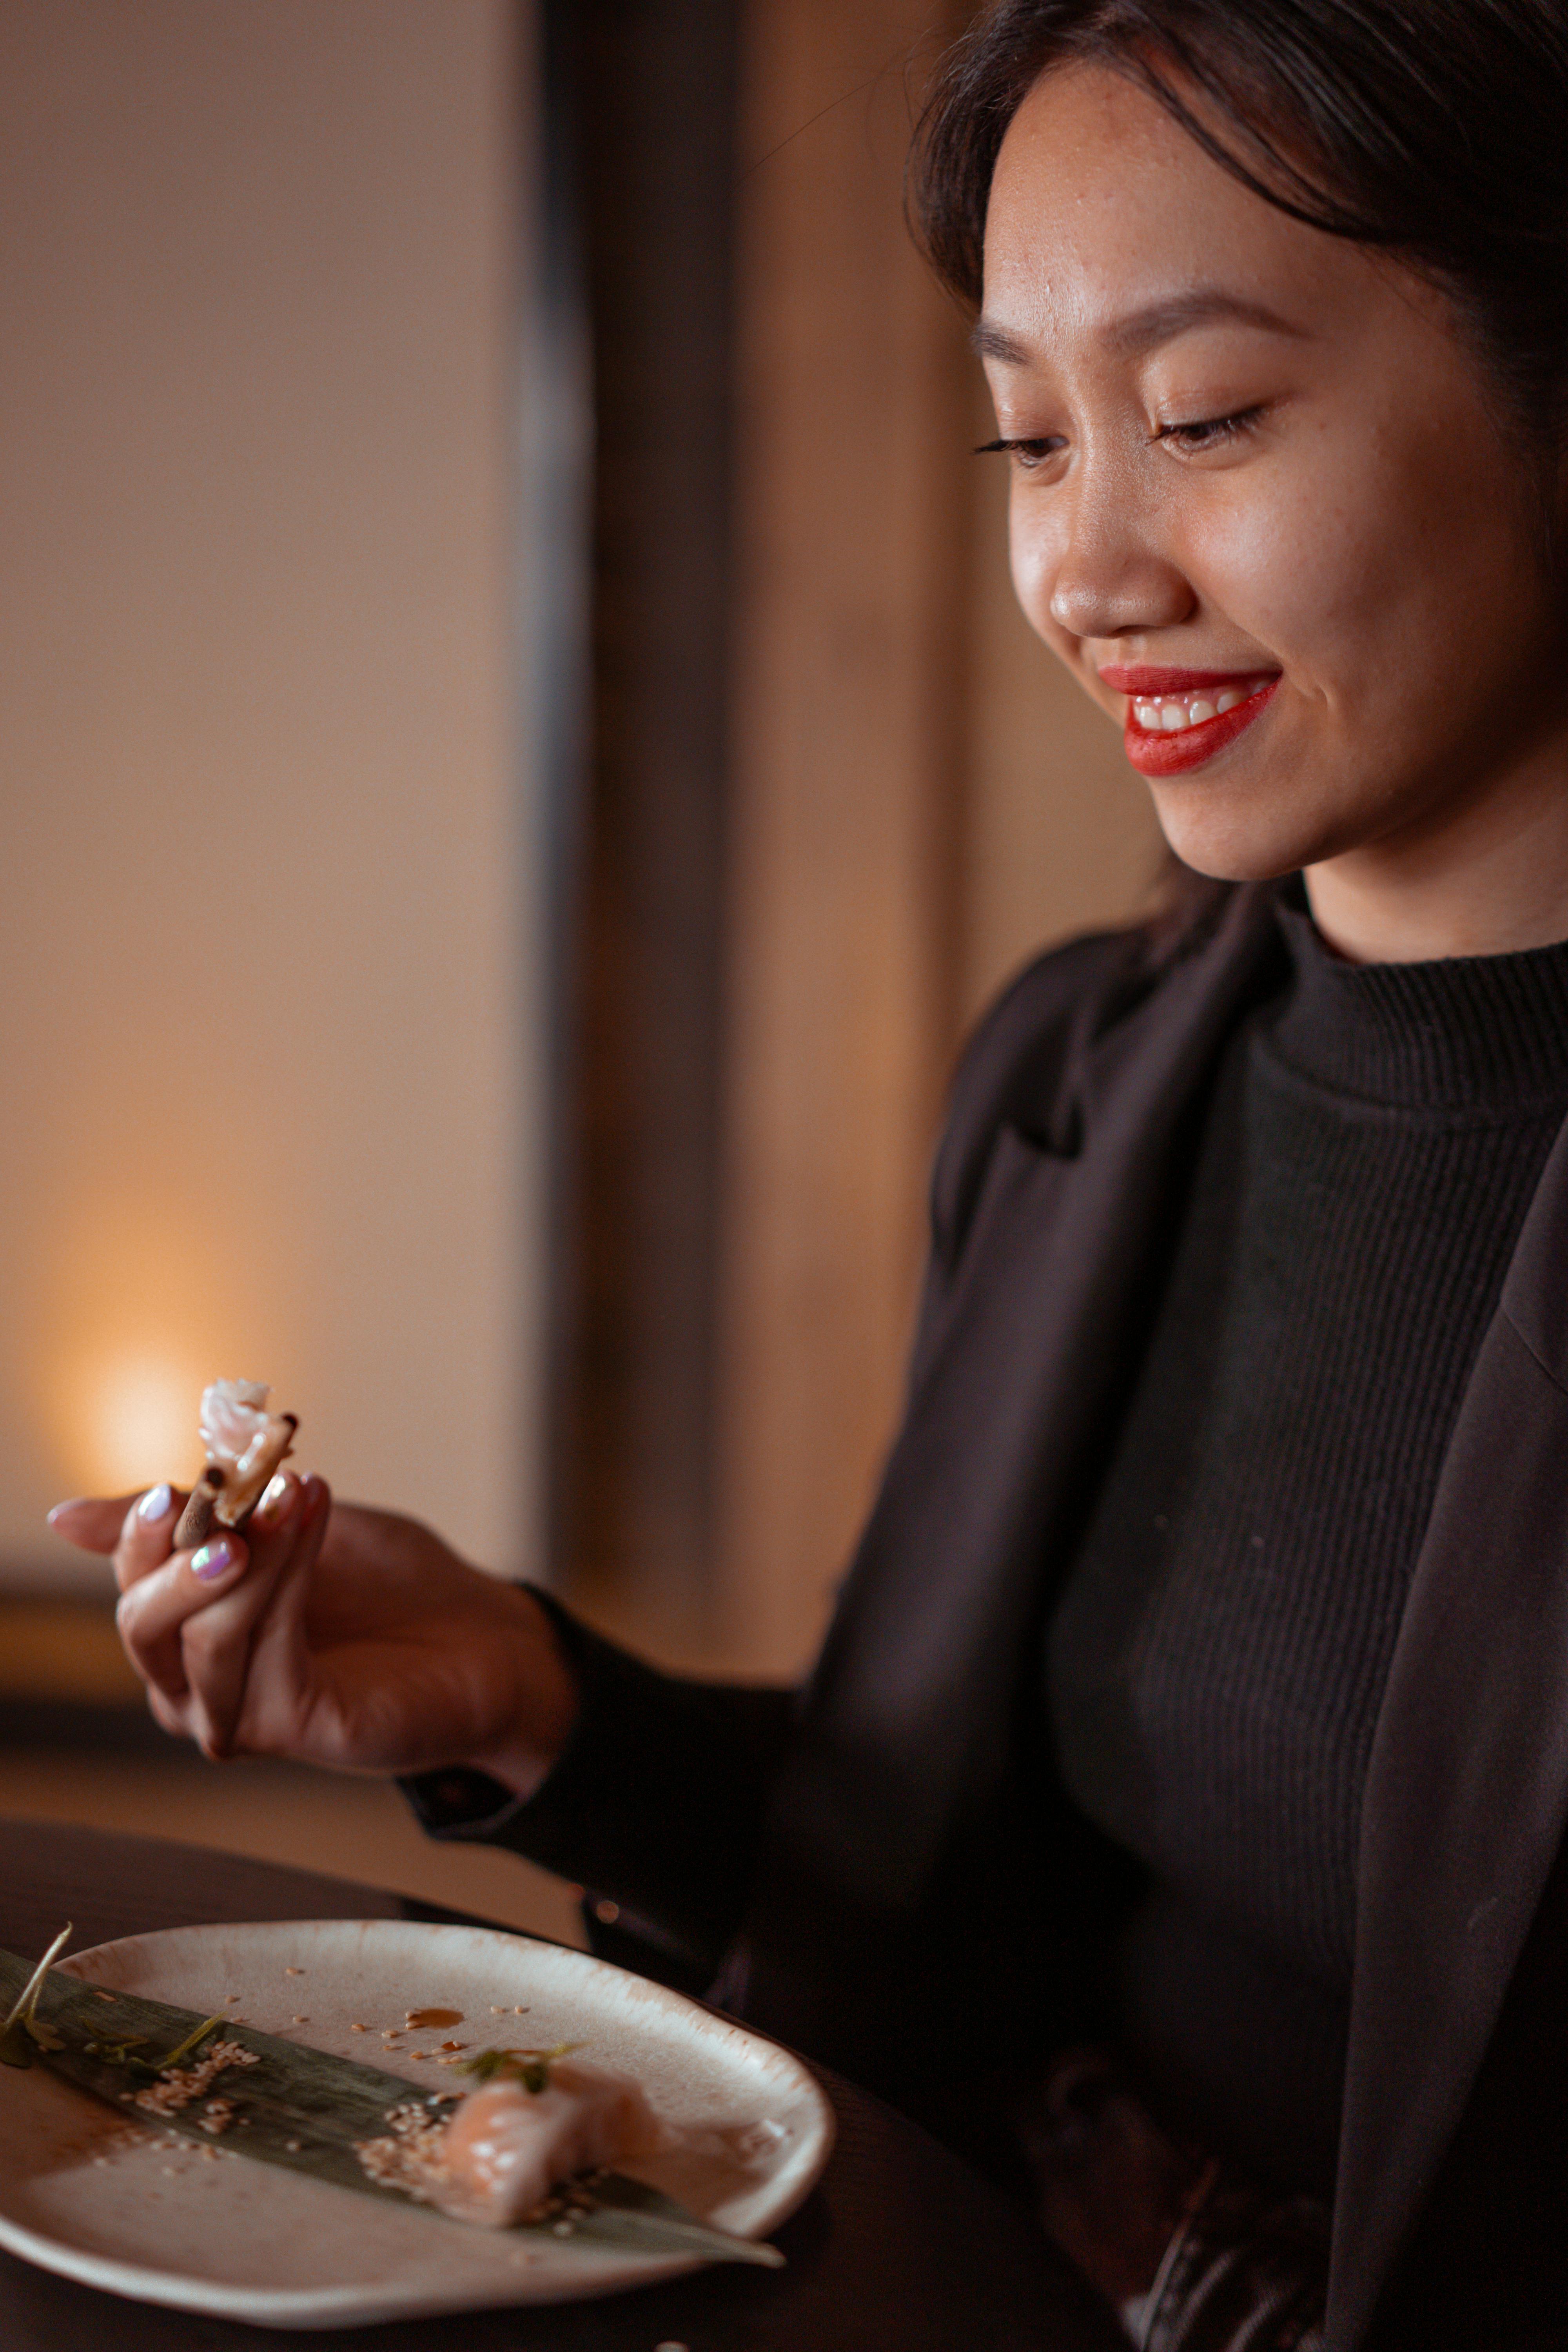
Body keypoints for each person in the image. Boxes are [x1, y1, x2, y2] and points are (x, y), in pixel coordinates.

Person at [50, 2, 1568, 2342]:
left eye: (1203, 418)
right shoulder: (1086, 1067)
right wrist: (534, 1705)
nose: (1085, 564)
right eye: (1028, 435)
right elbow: (955, 1931)